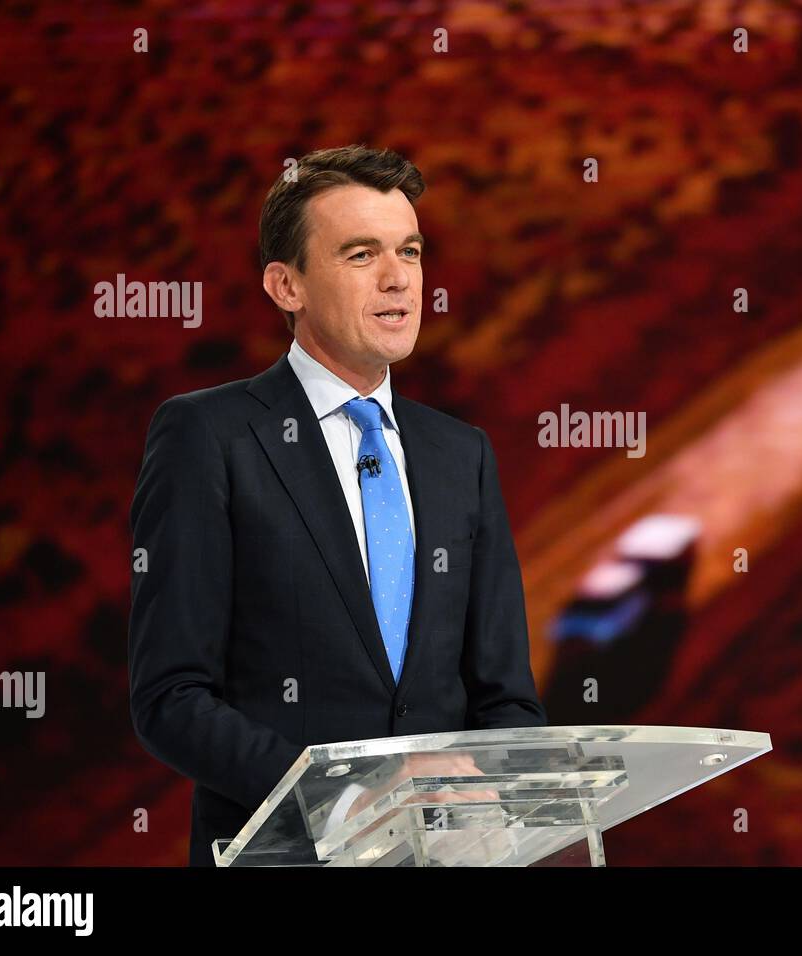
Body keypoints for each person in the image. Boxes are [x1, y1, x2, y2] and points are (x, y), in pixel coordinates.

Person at [127, 144, 547, 866]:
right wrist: (347, 795)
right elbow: (171, 697)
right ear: (286, 286)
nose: (398, 280)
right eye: (361, 255)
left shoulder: (461, 455)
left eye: (410, 252)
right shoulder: (210, 436)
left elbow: (505, 697)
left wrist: (489, 790)